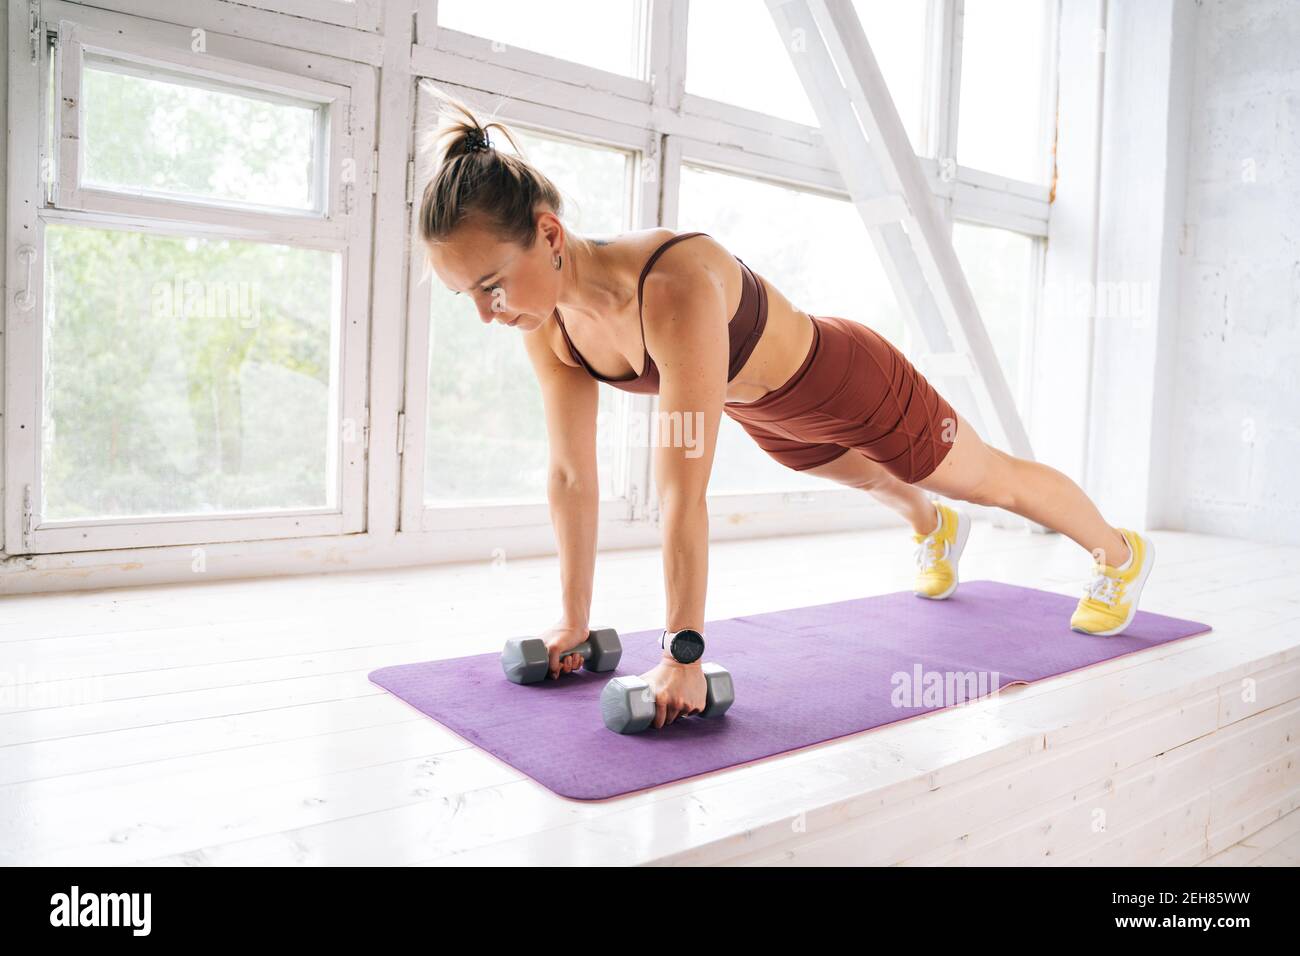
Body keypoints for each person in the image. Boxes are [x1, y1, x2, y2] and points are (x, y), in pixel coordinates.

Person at [417, 96, 1155, 730]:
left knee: (987, 479)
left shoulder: (670, 286)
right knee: (875, 483)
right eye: (470, 298)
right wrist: (573, 623)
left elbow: (681, 493)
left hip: (852, 381)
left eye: (491, 285)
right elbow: (573, 476)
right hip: (769, 415)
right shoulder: (550, 328)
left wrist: (684, 654)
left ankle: (1119, 555)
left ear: (548, 235)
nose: (488, 313)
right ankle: (933, 527)